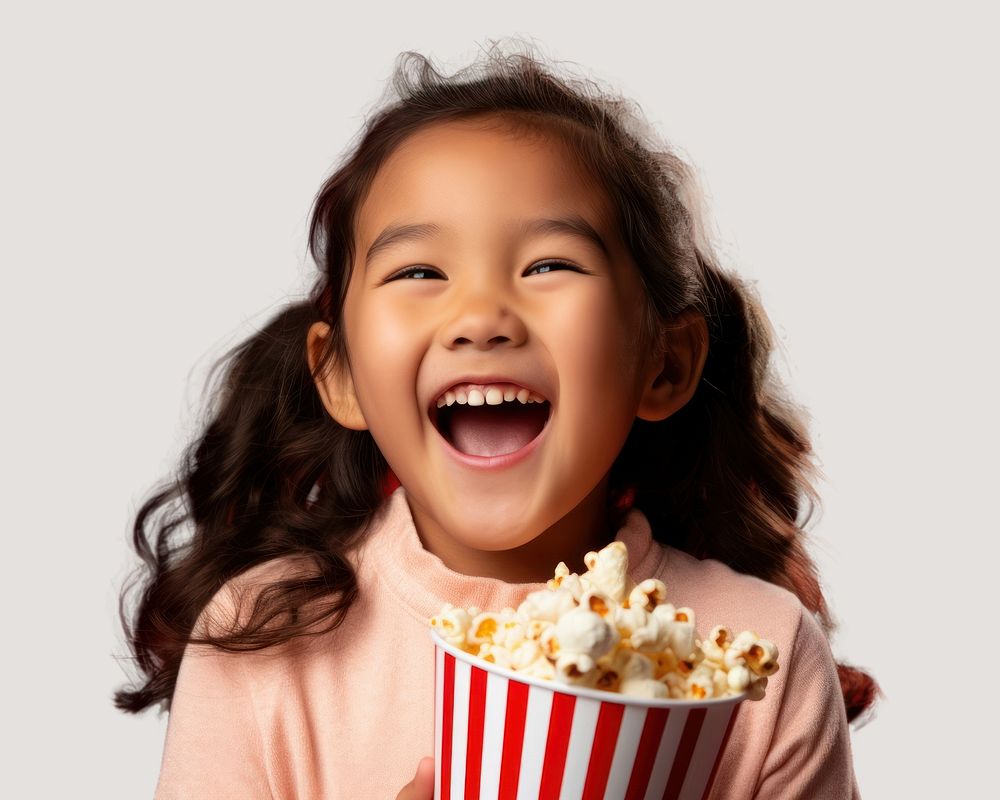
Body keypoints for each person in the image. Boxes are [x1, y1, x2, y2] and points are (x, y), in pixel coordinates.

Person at [115, 41, 879, 799]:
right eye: (419, 272)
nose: (480, 317)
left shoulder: (760, 651)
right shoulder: (263, 635)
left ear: (665, 363)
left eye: (550, 265)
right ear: (340, 374)